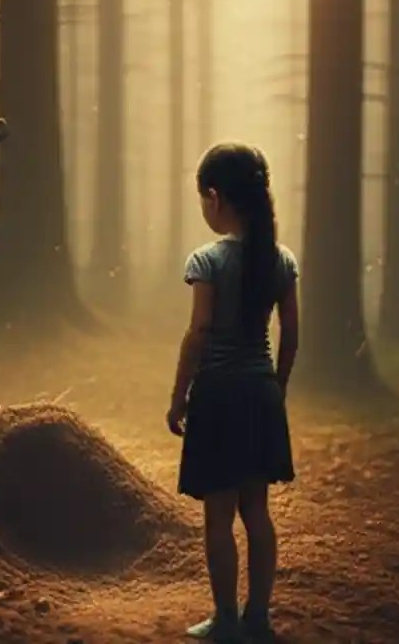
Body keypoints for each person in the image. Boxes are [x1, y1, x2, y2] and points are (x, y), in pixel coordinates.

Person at [166, 143, 300, 642]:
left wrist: (179, 397)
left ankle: (225, 620)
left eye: (204, 199)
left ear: (215, 197)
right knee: (256, 512)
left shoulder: (207, 260)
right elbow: (291, 333)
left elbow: (199, 333)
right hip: (261, 392)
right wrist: (276, 388)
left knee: (218, 518)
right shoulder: (280, 259)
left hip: (218, 396)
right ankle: (259, 617)